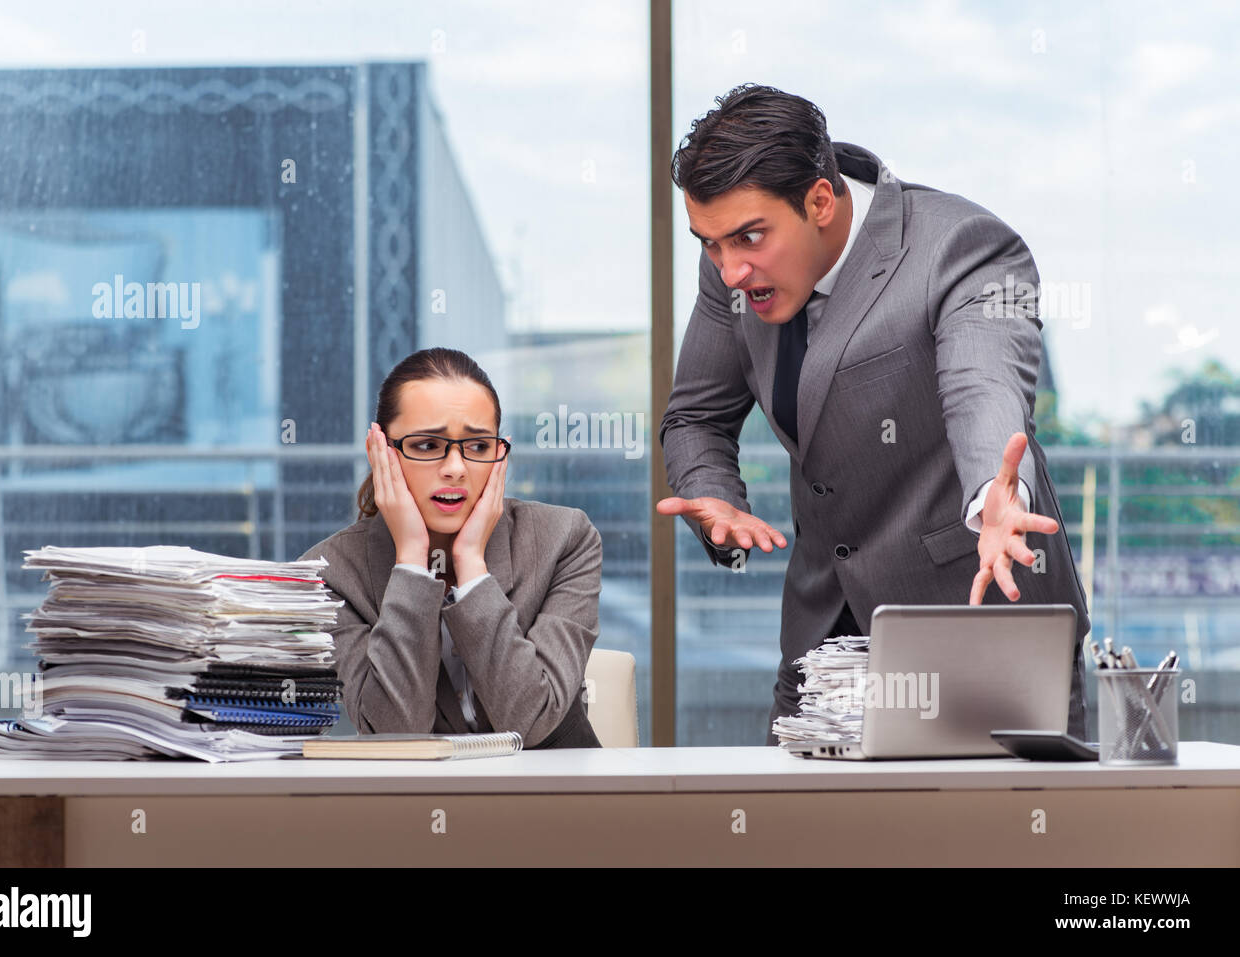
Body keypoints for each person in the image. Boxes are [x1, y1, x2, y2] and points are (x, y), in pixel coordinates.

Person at [657, 84, 1091, 744]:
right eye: (710, 244)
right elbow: (695, 416)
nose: (731, 269)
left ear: (820, 202)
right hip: (823, 645)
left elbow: (983, 385)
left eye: (749, 237)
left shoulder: (963, 248)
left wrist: (993, 495)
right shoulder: (728, 269)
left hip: (974, 629)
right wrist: (712, 495)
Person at [299, 347, 602, 748]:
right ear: (382, 453)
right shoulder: (329, 573)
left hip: (556, 802)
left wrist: (471, 564)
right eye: (427, 446)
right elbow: (395, 735)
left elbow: (530, 722)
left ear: (498, 455)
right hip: (410, 806)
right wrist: (411, 561)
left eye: (477, 447)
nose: (456, 468)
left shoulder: (565, 539)